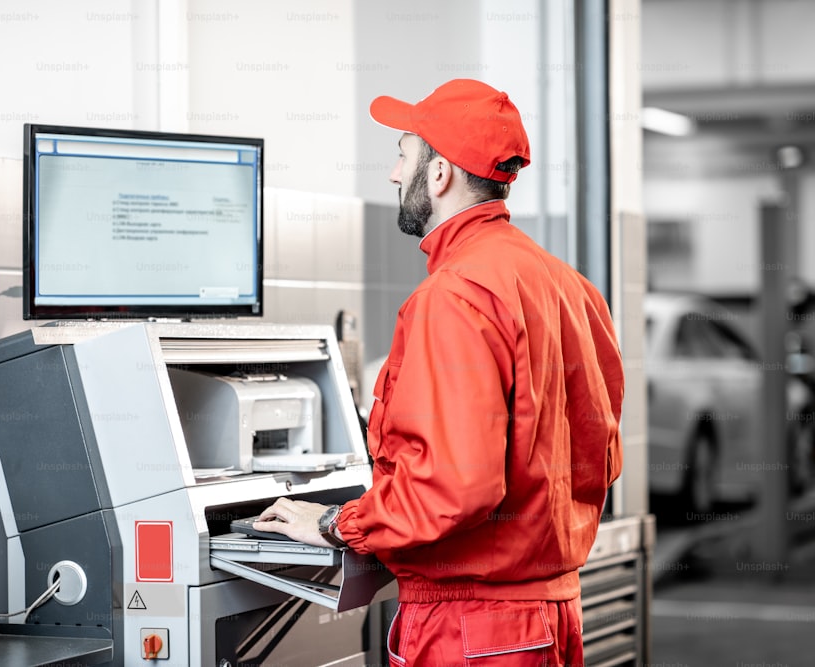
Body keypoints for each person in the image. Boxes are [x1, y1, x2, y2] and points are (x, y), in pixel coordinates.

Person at [255, 78, 624, 666]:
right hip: (550, 617)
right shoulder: (570, 287)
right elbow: (595, 455)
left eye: (403, 154)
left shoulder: (453, 296)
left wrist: (337, 522)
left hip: (472, 629)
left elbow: (454, 487)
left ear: (440, 174)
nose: (394, 174)